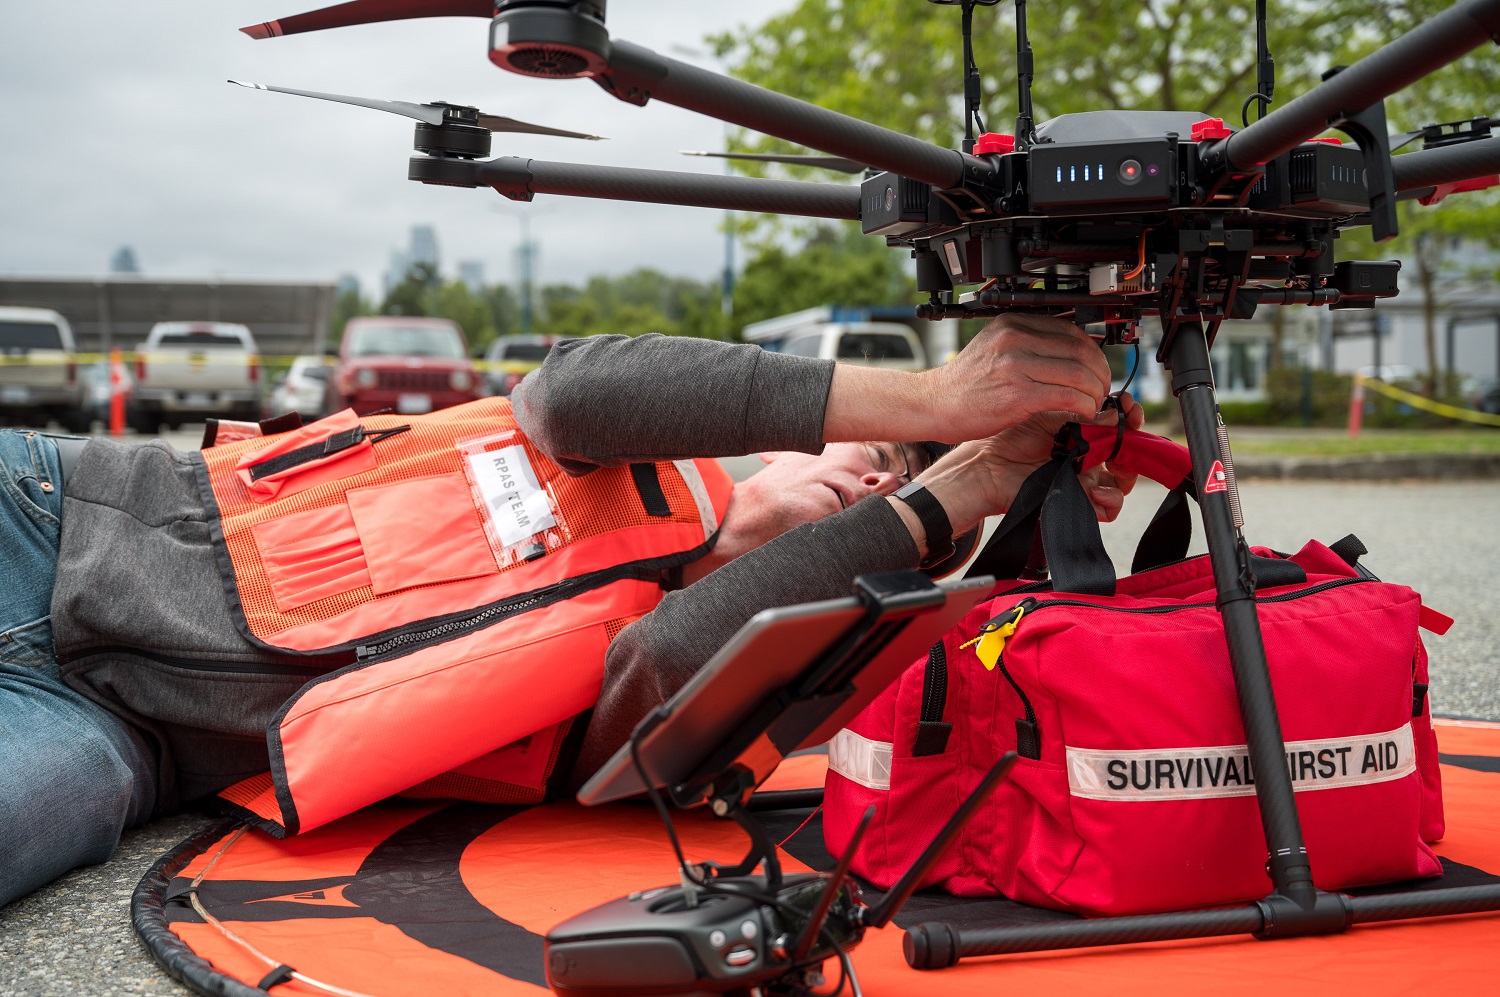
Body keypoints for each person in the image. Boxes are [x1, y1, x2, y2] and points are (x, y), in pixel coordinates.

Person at [0, 314, 1139, 908]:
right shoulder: (635, 453)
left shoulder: (697, 685)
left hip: (120, 739)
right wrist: (937, 401)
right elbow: (578, 383)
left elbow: (658, 663)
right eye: (877, 455)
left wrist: (967, 494)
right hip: (54, 520)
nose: (877, 481)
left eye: (900, 487)